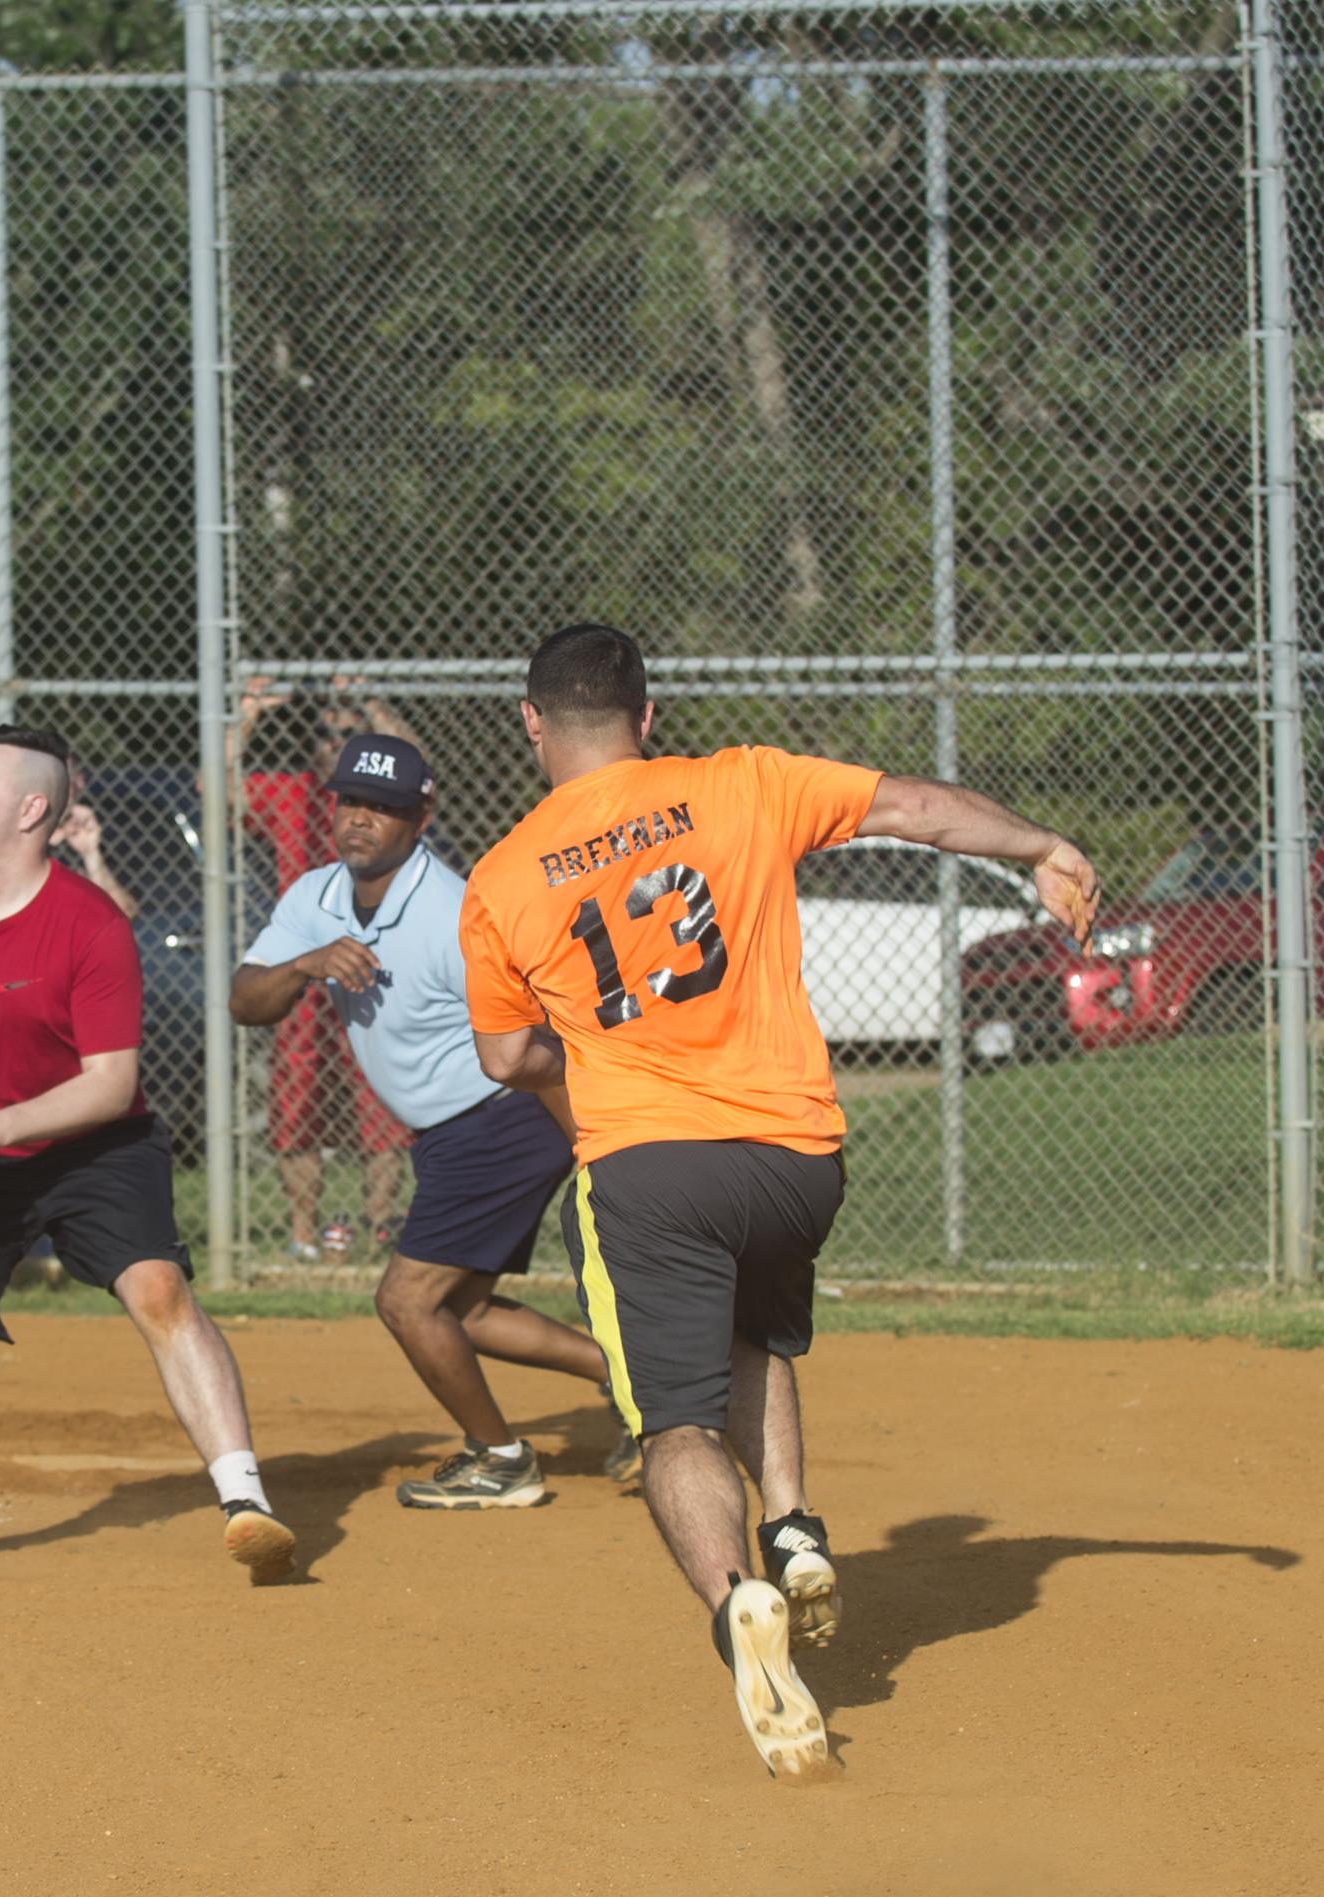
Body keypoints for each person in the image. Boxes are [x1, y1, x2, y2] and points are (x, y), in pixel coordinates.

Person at [459, 623, 1099, 1780]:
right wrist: (1041, 846)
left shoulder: (503, 876)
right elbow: (912, 807)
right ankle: (792, 1522)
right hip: (795, 1158)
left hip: (649, 1166)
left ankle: (733, 1594)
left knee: (676, 1425)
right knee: (752, 1330)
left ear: (531, 724)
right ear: (648, 718)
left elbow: (507, 1059)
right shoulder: (743, 783)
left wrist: (597, 1056)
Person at [0, 726, 297, 1588]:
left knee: (157, 1287)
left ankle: (244, 1500)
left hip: (90, 1146)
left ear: (31, 808)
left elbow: (110, 1084)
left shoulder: (90, 919)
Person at [232, 731, 637, 1511]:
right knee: (462, 1311)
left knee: (407, 1301)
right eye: (350, 799)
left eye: (383, 807)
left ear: (421, 817)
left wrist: (598, 1147)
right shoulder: (313, 898)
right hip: (451, 1135)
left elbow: (541, 1036)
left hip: (502, 1121)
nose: (359, 818)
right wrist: (302, 964)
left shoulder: (453, 912)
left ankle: (499, 1458)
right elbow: (246, 1001)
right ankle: (636, 1384)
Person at [234, 676, 411, 1258]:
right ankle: (305, 1234)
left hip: (377, 960)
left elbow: (420, 770)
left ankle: (378, 1226)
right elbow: (221, 794)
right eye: (329, 733)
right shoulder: (293, 792)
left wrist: (374, 704)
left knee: (380, 1099)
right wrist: (249, 713)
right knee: (296, 1098)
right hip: (305, 964)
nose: (338, 743)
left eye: (350, 733)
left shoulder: (387, 803)